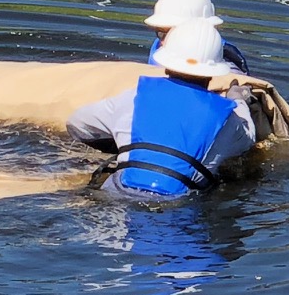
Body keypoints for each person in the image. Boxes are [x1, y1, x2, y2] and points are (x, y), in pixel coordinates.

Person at [69, 20, 260, 199]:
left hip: (118, 192)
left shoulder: (134, 96)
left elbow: (77, 123)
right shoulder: (227, 118)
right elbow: (247, 138)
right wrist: (238, 100)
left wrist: (121, 143)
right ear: (215, 69)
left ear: (167, 61)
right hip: (179, 203)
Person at [143, 0, 249, 73]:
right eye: (161, 33)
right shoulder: (158, 49)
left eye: (173, 34)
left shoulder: (226, 66)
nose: (164, 42)